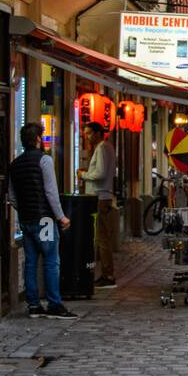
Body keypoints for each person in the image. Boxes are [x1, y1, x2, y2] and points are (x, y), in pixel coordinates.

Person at [8, 122, 76, 318]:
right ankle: (54, 304)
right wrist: (61, 217)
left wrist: (23, 210)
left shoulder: (15, 164)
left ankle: (34, 305)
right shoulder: (44, 160)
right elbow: (50, 192)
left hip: (26, 219)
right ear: (38, 139)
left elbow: (12, 197)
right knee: (51, 261)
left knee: (30, 262)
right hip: (44, 218)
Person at [78, 121, 119, 289]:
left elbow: (100, 173)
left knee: (102, 238)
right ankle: (106, 273)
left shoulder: (102, 148)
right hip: (104, 196)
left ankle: (107, 275)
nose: (86, 137)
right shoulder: (107, 147)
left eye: (88, 133)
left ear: (96, 133)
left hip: (100, 197)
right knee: (103, 238)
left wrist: (84, 175)